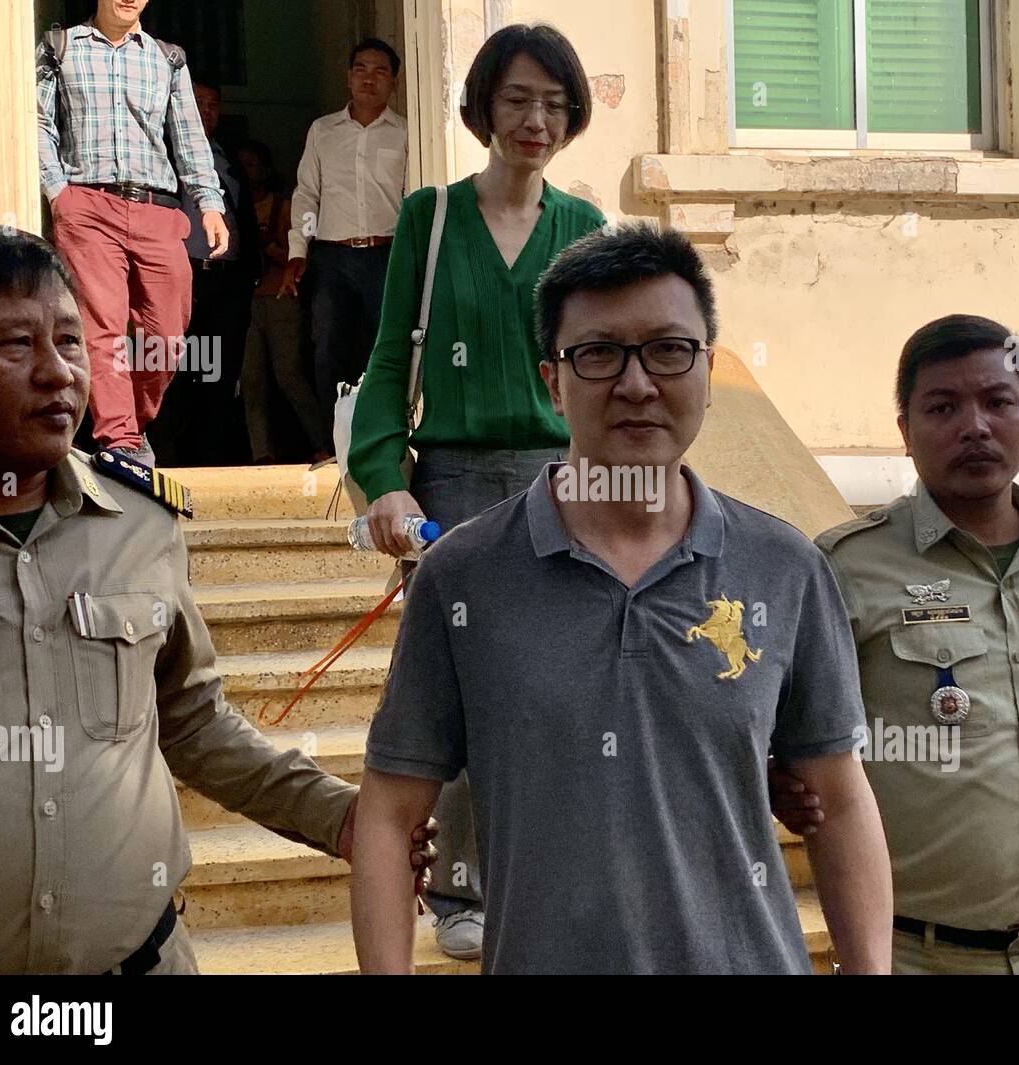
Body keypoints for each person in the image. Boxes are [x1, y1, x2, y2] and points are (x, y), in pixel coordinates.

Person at [349, 223, 894, 975]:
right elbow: (387, 814)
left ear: (707, 368)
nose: (637, 383)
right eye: (599, 354)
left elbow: (839, 801)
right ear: (552, 382)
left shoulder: (785, 567)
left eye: (669, 350)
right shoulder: (463, 577)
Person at [0, 227, 434, 974]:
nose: (57, 373)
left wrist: (343, 818)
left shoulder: (140, 525)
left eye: (71, 342)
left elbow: (194, 722)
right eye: (15, 346)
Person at [774, 314, 1019, 974]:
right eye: (943, 406)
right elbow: (784, 738)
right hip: (919, 953)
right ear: (905, 432)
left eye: (999, 401)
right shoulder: (844, 568)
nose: (975, 426)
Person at [347, 23, 605, 959]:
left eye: (554, 102)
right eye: (517, 99)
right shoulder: (432, 216)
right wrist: (383, 480)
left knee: (571, 690)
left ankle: (558, 874)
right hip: (450, 480)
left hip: (561, 481)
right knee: (460, 689)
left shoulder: (585, 230)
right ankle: (457, 886)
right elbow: (387, 362)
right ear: (483, 109)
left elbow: (604, 372)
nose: (535, 118)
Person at [36, 0, 230, 468]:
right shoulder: (62, 46)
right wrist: (59, 192)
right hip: (88, 203)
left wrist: (210, 202)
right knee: (102, 326)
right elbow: (39, 122)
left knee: (167, 333)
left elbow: (188, 136)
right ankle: (120, 439)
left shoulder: (167, 58)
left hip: (157, 209)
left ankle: (133, 423)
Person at [283, 38, 409, 428]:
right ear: (348, 78)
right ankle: (332, 438)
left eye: (380, 71)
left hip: (386, 255)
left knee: (384, 348)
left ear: (394, 83)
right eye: (361, 69)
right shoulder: (323, 131)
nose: (369, 79)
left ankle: (384, 433)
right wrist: (297, 250)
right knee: (327, 348)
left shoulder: (406, 133)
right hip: (332, 257)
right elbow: (307, 194)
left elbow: (411, 198)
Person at [149, 79, 259, 467]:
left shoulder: (227, 156)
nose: (207, 111)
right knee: (178, 367)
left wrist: (251, 276)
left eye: (214, 104)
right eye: (198, 102)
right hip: (181, 277)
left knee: (221, 372)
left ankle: (212, 460)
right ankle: (170, 460)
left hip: (227, 282)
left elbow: (244, 216)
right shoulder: (161, 153)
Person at [237, 141, 332, 465]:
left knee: (289, 376)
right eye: (243, 165)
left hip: (280, 297)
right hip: (248, 301)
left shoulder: (284, 206)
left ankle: (323, 442)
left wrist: (266, 245)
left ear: (265, 168)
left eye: (252, 164)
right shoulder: (236, 206)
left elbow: (297, 253)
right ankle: (260, 453)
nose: (247, 172)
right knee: (251, 380)